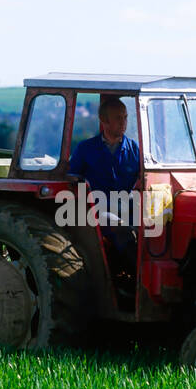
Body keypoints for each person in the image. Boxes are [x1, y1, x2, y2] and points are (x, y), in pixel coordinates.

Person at [69, 95, 141, 279]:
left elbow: (144, 178)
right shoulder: (86, 149)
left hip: (126, 207)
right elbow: (71, 177)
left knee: (154, 224)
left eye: (125, 117)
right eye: (118, 118)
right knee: (118, 225)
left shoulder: (134, 149)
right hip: (97, 208)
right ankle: (139, 276)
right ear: (104, 121)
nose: (123, 122)